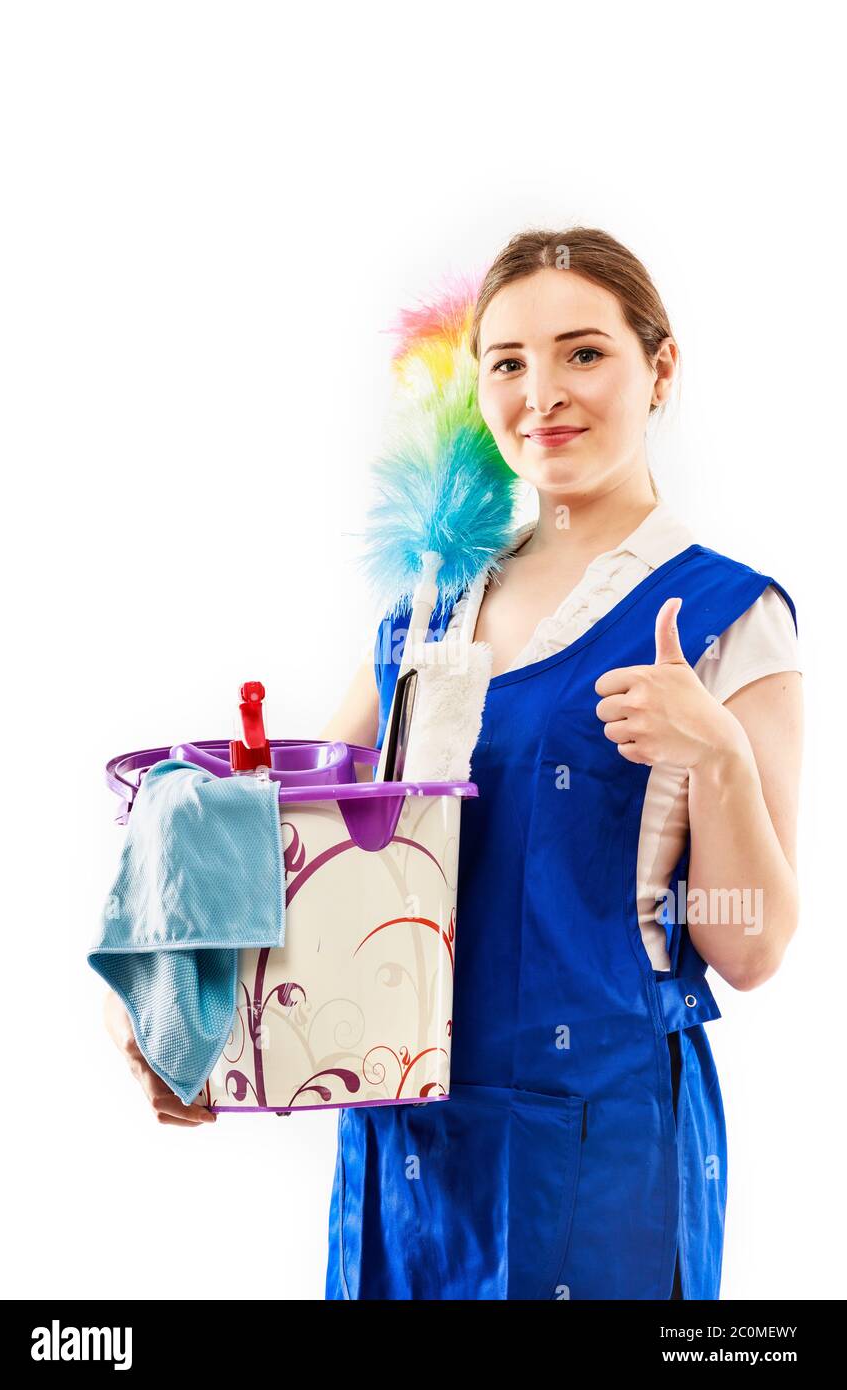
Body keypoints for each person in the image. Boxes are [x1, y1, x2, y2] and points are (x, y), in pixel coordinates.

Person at [319, 228, 802, 1300]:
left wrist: (715, 755)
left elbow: (750, 943)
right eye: (506, 363)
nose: (542, 392)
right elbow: (307, 860)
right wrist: (188, 1013)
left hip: (598, 1164)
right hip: (405, 1159)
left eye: (582, 353)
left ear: (657, 367)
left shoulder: (727, 616)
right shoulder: (428, 607)